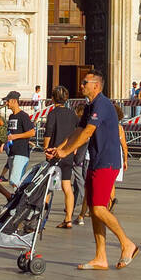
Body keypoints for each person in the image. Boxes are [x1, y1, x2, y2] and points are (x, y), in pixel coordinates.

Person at [47, 72, 138, 269]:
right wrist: (60, 147)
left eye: (84, 82)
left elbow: (89, 132)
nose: (80, 85)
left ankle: (126, 243)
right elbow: (79, 130)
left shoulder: (102, 104)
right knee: (95, 211)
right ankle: (100, 257)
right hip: (96, 160)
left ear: (96, 86)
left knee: (98, 208)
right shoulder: (89, 105)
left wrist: (66, 152)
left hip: (107, 161)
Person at [45, 86, 79, 228]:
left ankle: (41, 217)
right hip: (68, 154)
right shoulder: (72, 114)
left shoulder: (53, 114)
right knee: (67, 186)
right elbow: (77, 132)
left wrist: (46, 149)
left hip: (55, 154)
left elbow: (48, 133)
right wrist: (74, 147)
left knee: (47, 188)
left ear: (53, 99)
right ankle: (68, 219)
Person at [0, 91, 35, 197]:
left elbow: (32, 132)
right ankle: (19, 201)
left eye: (8, 101)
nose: (6, 103)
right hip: (12, 152)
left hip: (21, 152)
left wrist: (16, 136)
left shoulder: (23, 116)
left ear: (14, 101)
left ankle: (20, 199)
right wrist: (3, 143)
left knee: (14, 180)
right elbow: (10, 133)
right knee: (15, 181)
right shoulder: (11, 117)